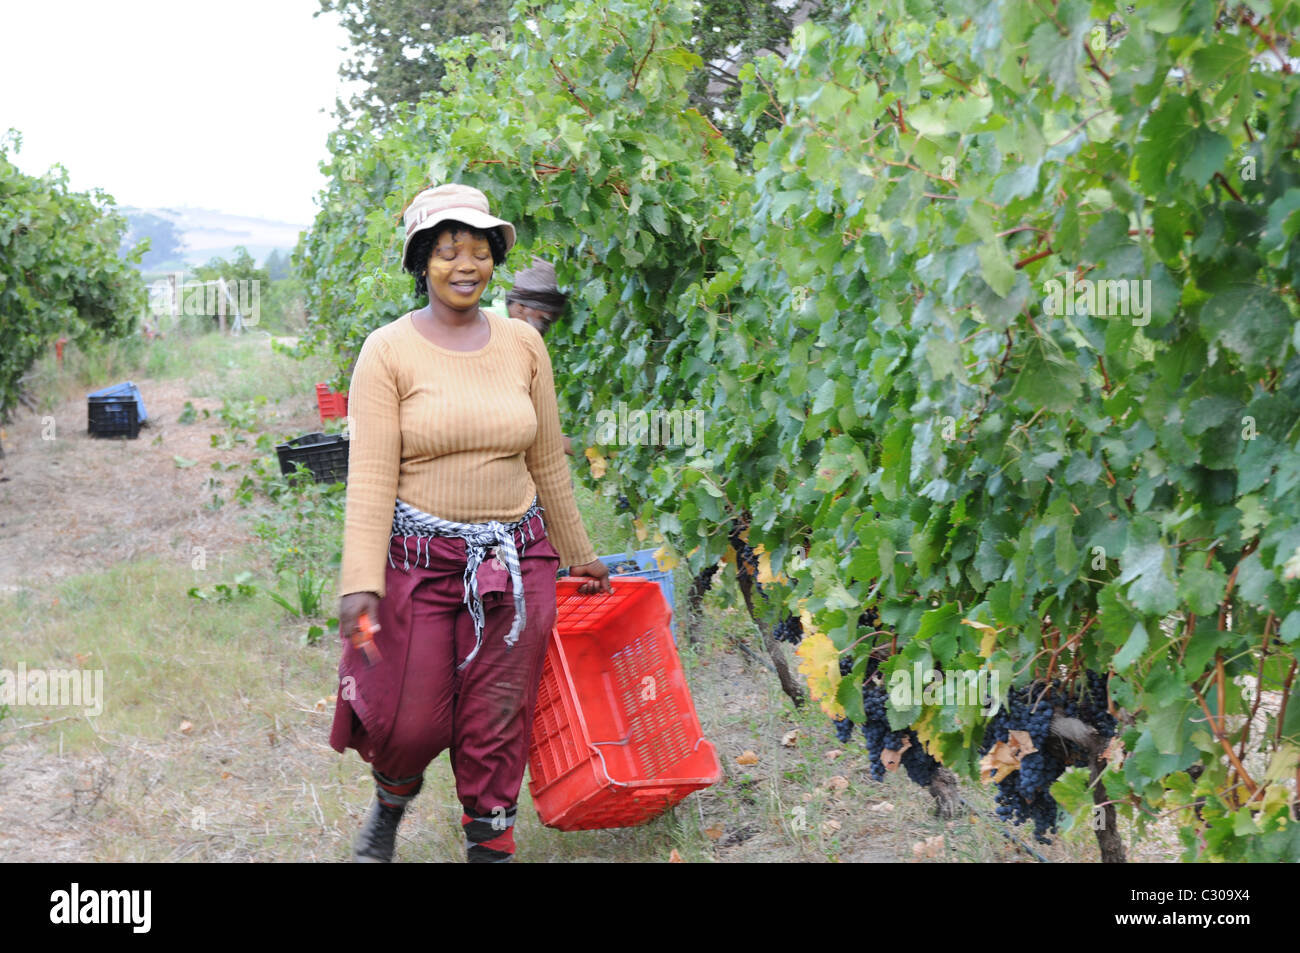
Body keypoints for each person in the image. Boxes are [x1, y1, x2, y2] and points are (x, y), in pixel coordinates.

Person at [330, 183, 612, 864]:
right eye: (449, 249)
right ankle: (391, 800)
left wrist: (579, 553)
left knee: (496, 713)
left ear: (493, 264)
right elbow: (370, 474)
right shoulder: (388, 351)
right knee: (409, 717)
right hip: (418, 563)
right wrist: (360, 582)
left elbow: (547, 457)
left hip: (516, 559)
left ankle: (489, 843)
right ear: (423, 261)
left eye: (480, 251)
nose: (466, 264)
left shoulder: (522, 344)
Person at [504, 257, 574, 455]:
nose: (545, 328)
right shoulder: (490, 338)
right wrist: (580, 448)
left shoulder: (520, 342)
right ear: (519, 307)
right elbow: (510, 428)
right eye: (543, 319)